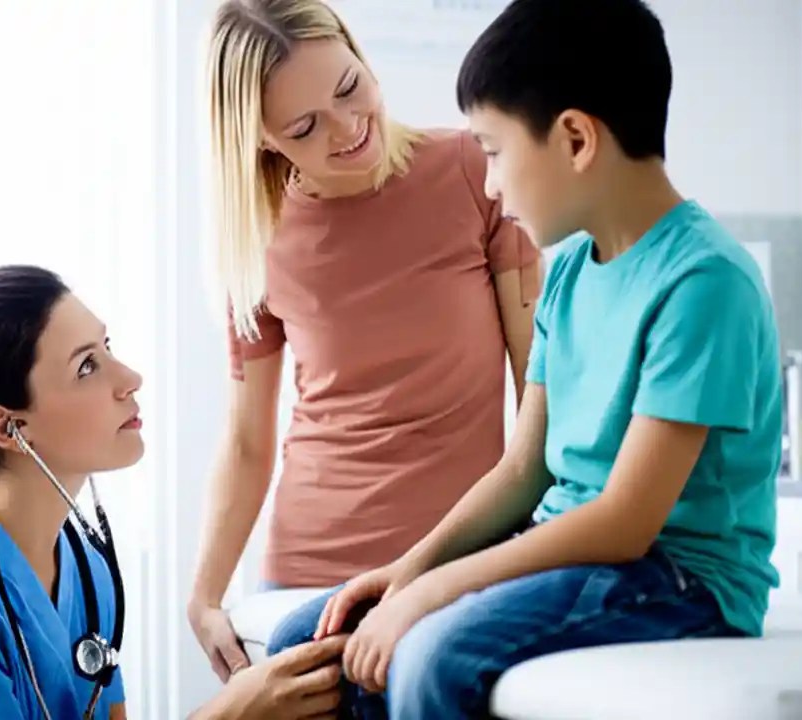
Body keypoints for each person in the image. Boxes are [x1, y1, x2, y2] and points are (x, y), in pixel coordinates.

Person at [267, 0, 784, 716]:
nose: (490, 184)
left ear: (574, 139)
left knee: (435, 654)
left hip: (680, 578)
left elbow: (625, 521)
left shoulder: (704, 281)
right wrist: (406, 571)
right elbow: (522, 467)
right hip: (583, 553)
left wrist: (437, 591)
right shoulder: (569, 270)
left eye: (494, 150)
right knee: (303, 639)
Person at [0, 265, 349, 719]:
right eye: (87, 366)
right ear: (7, 427)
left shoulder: (87, 570)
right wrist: (231, 712)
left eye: (107, 347)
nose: (130, 378)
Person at [190, 0, 542, 683]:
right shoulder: (254, 238)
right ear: (261, 139)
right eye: (304, 126)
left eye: (350, 88)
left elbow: (541, 387)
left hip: (454, 565)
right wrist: (204, 596)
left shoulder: (478, 170)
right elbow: (246, 442)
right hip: (308, 576)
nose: (349, 128)